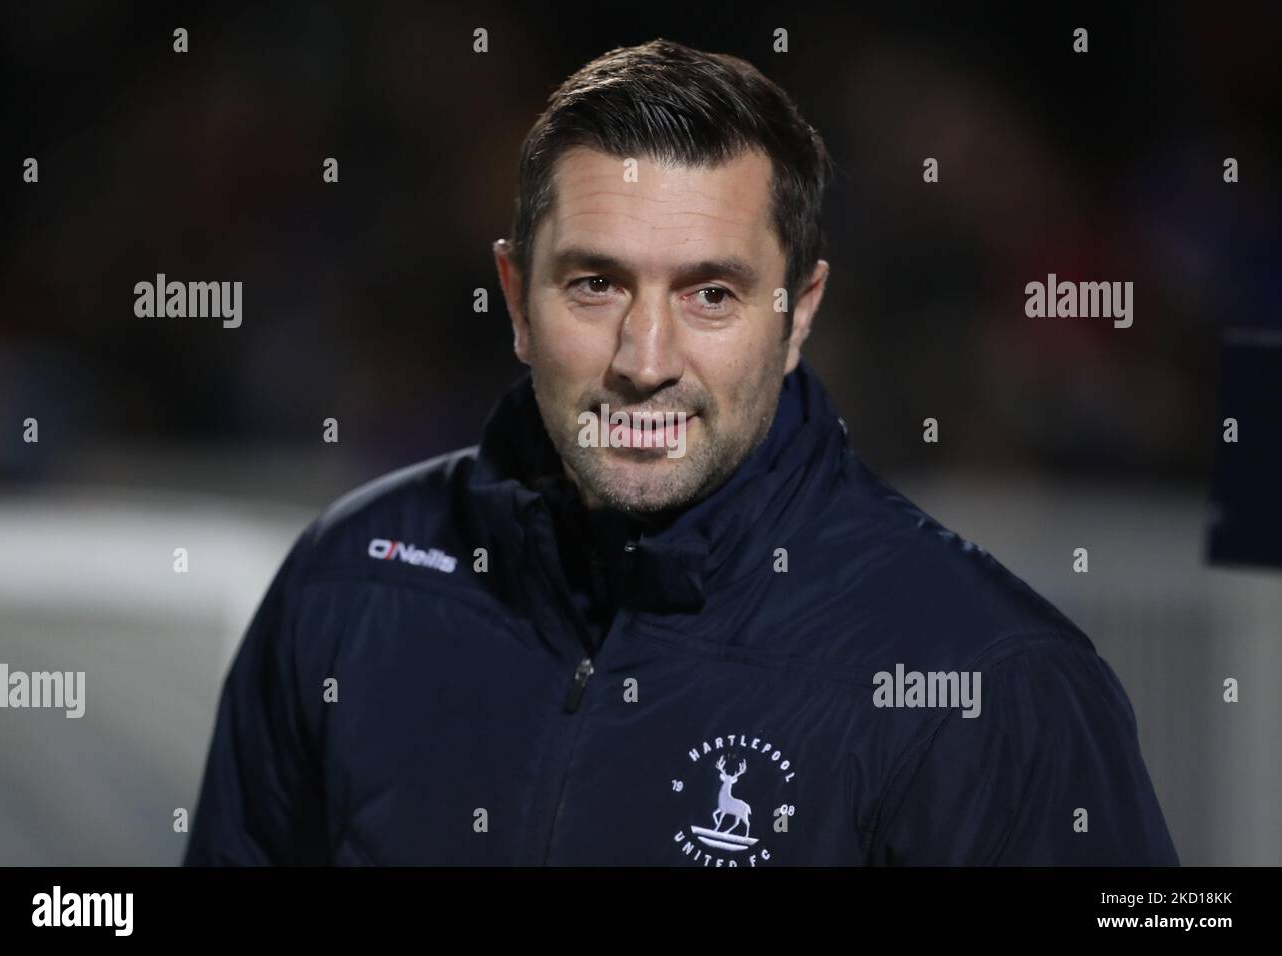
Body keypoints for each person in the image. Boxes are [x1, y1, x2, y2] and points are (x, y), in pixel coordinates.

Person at [184, 39, 1178, 866]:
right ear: (515, 297)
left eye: (710, 293)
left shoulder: (997, 686)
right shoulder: (351, 583)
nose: (644, 360)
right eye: (594, 285)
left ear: (798, 317)